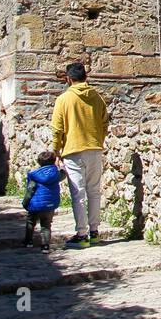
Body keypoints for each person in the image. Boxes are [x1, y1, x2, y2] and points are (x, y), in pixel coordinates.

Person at [51, 61, 109, 249]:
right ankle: (94, 232)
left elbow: (57, 128)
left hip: (74, 150)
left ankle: (81, 234)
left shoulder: (64, 99)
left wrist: (55, 150)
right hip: (94, 148)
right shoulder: (97, 97)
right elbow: (104, 122)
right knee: (94, 191)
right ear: (86, 77)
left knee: (78, 193)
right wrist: (98, 141)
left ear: (68, 79)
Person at [21, 150, 63, 250]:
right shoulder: (56, 174)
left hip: (35, 205)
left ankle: (28, 241)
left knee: (31, 222)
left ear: (39, 162)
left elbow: (30, 190)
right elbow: (64, 173)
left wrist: (25, 203)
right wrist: (60, 165)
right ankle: (45, 246)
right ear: (53, 161)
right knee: (46, 225)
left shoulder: (34, 175)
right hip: (49, 205)